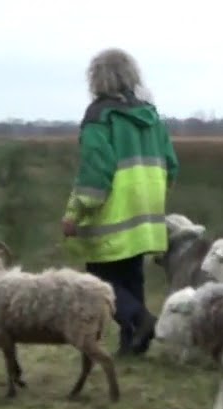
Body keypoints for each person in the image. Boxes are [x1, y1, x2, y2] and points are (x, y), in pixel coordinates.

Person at [60, 48, 179, 356]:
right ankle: (134, 345)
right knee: (130, 275)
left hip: (112, 212)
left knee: (99, 279)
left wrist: (75, 211)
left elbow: (96, 172)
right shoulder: (151, 116)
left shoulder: (99, 116)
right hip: (145, 213)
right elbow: (171, 164)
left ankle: (139, 323)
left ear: (96, 78)